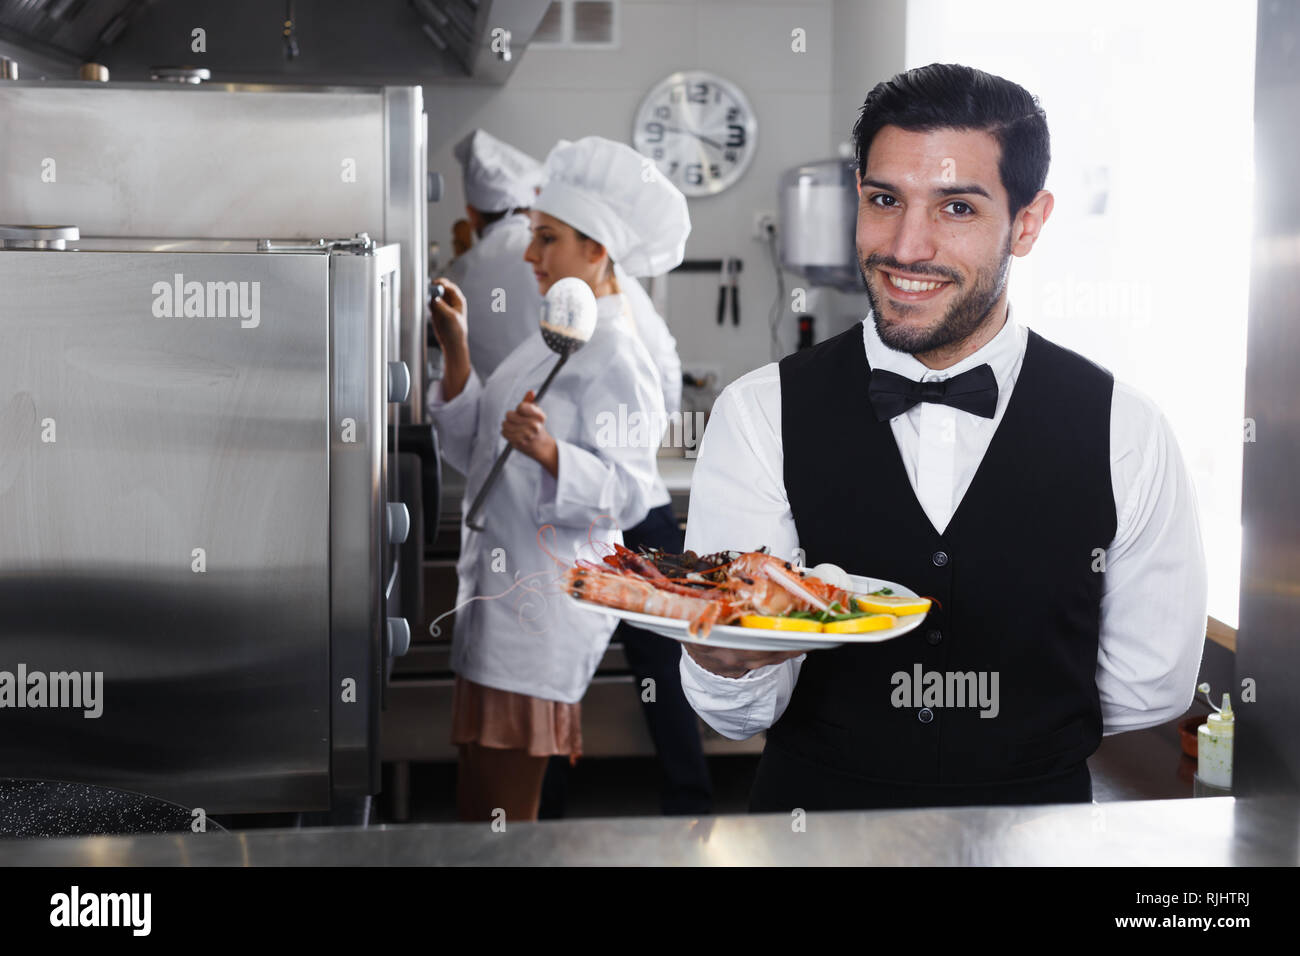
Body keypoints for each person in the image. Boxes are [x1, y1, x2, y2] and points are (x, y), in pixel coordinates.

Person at [678, 63, 1208, 812]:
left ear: (1027, 223)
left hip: (1038, 842)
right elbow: (734, 714)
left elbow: (1150, 683)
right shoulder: (759, 412)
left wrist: (1011, 745)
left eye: (956, 207)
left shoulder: (1128, 428)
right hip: (808, 838)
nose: (907, 246)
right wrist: (726, 660)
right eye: (884, 199)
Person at [427, 135, 690, 822]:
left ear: (595, 250)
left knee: (507, 823)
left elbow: (629, 493)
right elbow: (479, 449)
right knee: (475, 809)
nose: (528, 254)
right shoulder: (553, 333)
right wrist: (456, 350)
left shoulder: (617, 353)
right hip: (494, 603)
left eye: (546, 239)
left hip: (538, 612)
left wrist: (551, 455)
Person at [446, 129, 546, 379]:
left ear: (472, 214)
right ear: (532, 205)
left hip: (490, 409)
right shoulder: (552, 253)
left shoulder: (458, 273)